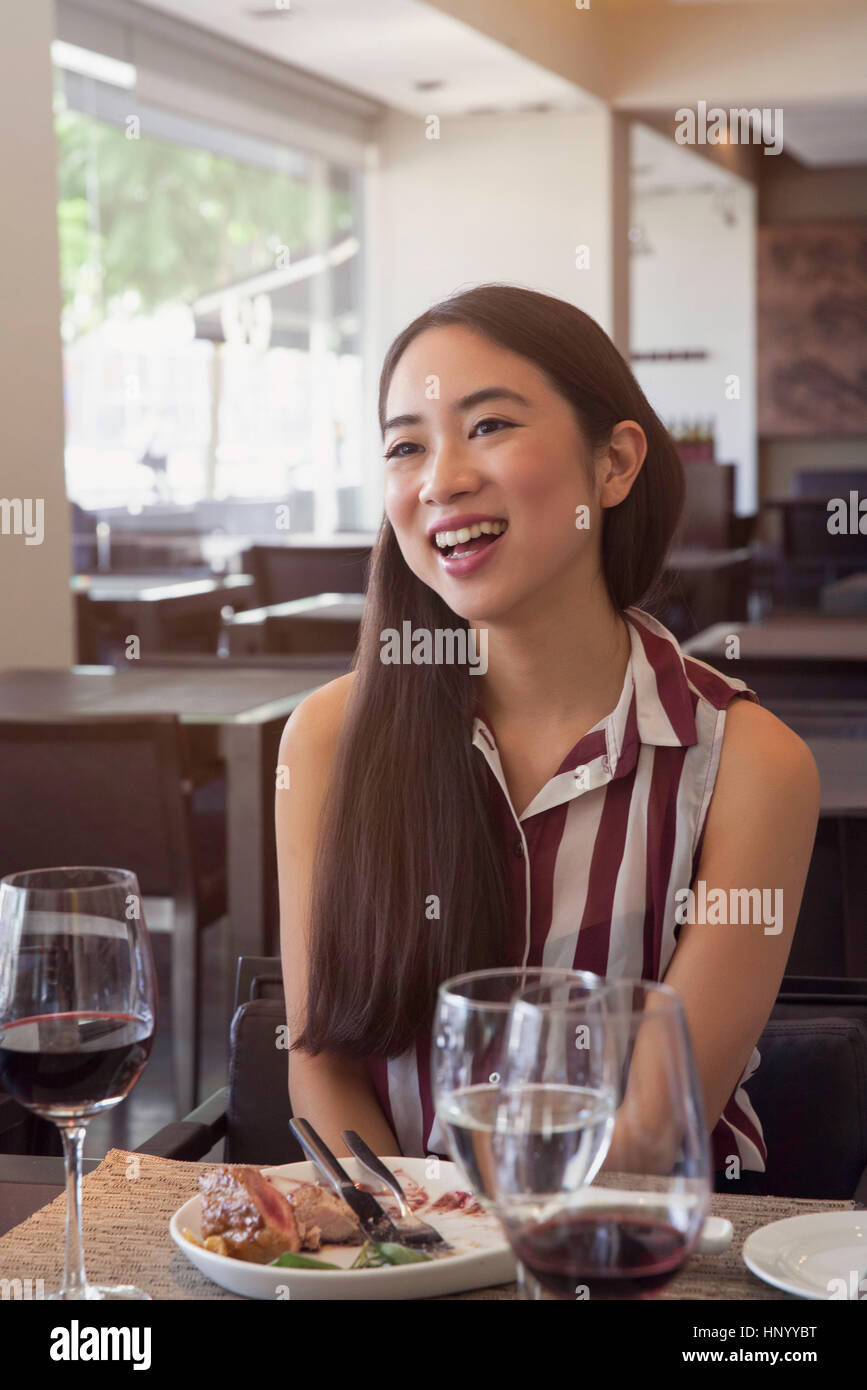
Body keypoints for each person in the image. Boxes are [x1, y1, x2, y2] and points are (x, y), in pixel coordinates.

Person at [276, 283, 819, 1188]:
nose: (441, 478)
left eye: (488, 427)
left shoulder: (749, 765)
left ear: (613, 464)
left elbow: (652, 1130)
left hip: (640, 1253)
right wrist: (410, 1254)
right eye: (406, 445)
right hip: (396, 1258)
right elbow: (320, 1063)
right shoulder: (329, 739)